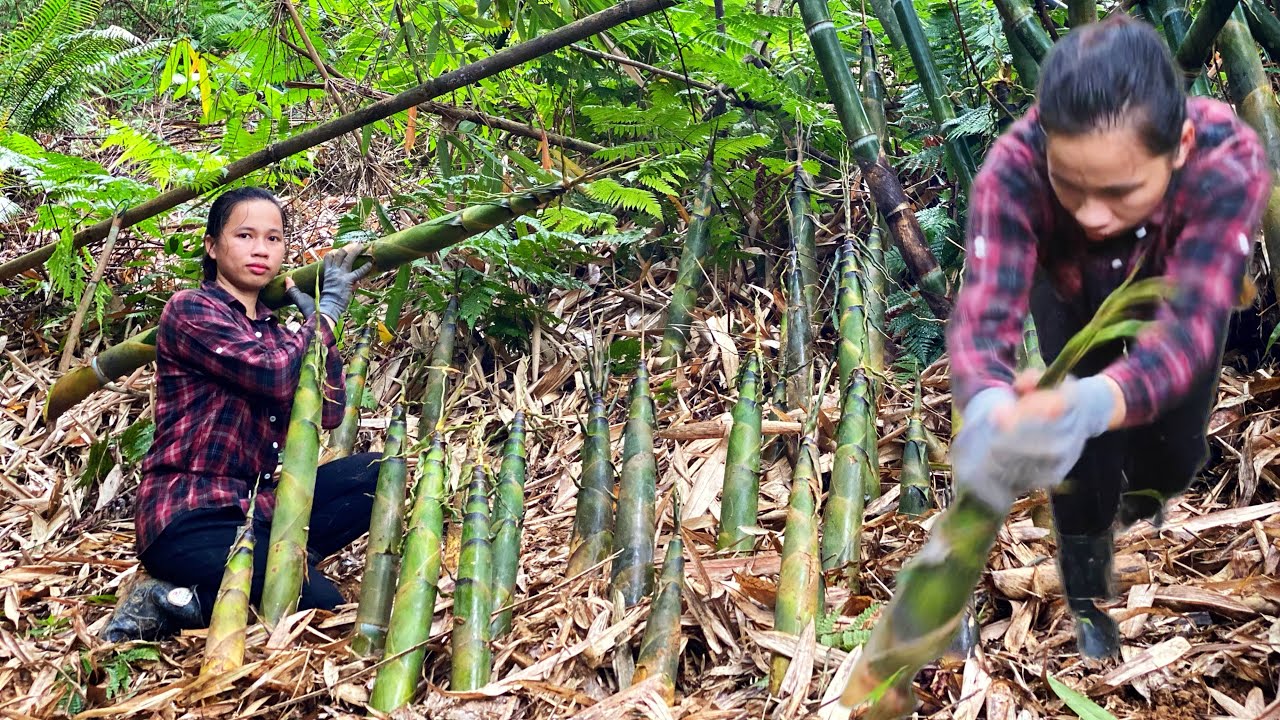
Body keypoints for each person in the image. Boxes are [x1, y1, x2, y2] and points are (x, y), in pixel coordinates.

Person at [946, 15, 1272, 660]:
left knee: (1175, 450)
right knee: (1084, 465)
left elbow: (1188, 330)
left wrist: (1098, 403)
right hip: (1067, 287)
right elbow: (985, 315)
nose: (1092, 215)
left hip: (1169, 294)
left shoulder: (1225, 161)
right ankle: (1088, 591)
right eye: (1070, 185)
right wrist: (986, 403)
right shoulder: (1012, 170)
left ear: (1178, 146)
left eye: (1121, 191)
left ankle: (1146, 495)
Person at [103, 187, 380, 641]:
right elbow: (272, 375)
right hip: (190, 516)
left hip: (258, 510)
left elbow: (328, 412)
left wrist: (317, 329)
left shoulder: (277, 333)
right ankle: (175, 602)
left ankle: (258, 566)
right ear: (213, 246)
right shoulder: (192, 309)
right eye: (245, 235)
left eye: (273, 239)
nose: (260, 249)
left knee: (379, 473)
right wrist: (326, 316)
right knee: (321, 604)